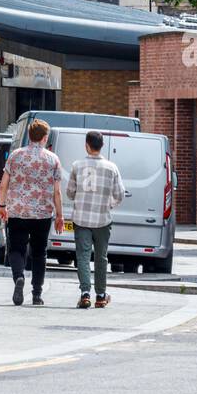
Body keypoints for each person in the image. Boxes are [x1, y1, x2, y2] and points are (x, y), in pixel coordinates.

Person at [0, 118, 64, 307]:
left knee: (16, 249)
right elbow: (56, 192)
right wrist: (59, 215)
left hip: (17, 211)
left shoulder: (16, 156)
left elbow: (3, 185)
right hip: (42, 214)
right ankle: (37, 293)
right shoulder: (53, 159)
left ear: (29, 136)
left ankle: (19, 277)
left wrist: (2, 207)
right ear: (45, 138)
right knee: (39, 253)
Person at [67, 130, 125, 310]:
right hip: (102, 219)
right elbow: (120, 194)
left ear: (86, 145)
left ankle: (85, 293)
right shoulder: (111, 168)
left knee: (83, 256)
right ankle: (101, 295)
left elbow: (69, 193)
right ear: (102, 146)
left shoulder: (77, 166)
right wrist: (110, 204)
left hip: (81, 218)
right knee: (101, 257)